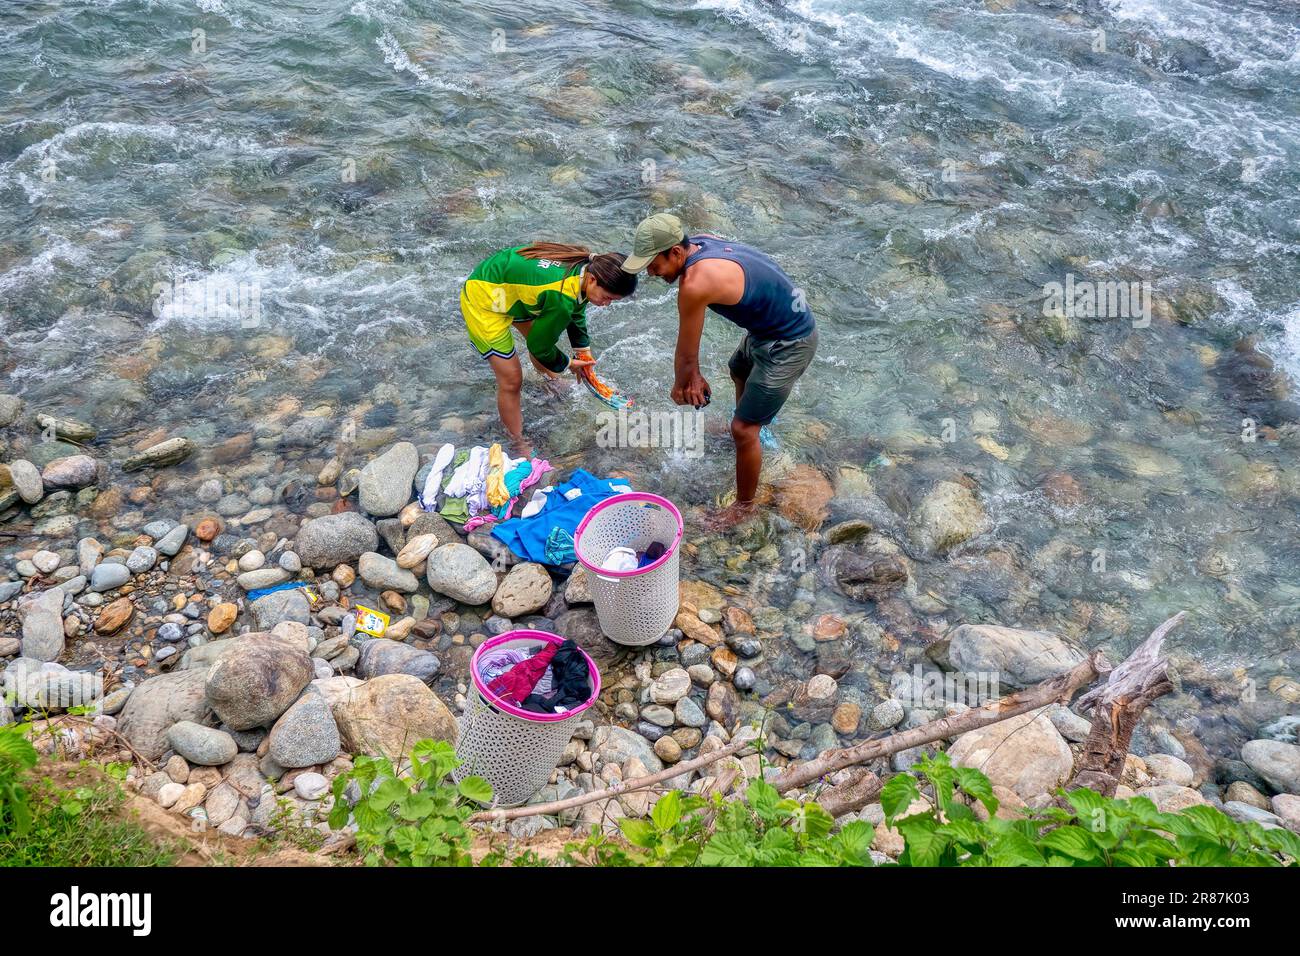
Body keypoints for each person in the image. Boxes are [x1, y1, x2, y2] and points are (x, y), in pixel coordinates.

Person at [621, 213, 817, 529]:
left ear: (675, 252)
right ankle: (757, 431)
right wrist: (691, 376)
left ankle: (744, 506)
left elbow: (686, 355)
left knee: (742, 429)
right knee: (738, 368)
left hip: (790, 343)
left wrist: (685, 383)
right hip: (768, 329)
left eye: (653, 264)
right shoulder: (699, 243)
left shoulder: (695, 283)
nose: (651, 273)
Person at [461, 242, 636, 454]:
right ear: (592, 280)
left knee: (543, 334)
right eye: (607, 298)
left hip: (512, 289)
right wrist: (568, 363)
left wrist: (583, 353)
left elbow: (576, 311)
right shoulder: (561, 296)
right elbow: (539, 346)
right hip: (485, 299)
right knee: (511, 379)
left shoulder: (584, 270)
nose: (606, 304)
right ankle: (517, 441)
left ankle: (552, 382)